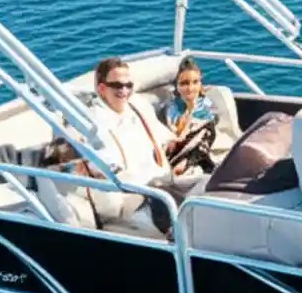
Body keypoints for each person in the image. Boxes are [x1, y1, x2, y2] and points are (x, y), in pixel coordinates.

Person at [75, 57, 185, 235]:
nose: (124, 91)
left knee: (205, 187)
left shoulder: (137, 108)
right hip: (134, 197)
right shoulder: (93, 123)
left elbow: (162, 136)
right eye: (118, 86)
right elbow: (100, 163)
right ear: (102, 89)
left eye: (129, 85)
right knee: (180, 216)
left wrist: (178, 143)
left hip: (161, 183)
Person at [156, 57, 219, 174]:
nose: (190, 88)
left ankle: (187, 163)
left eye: (195, 82)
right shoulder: (170, 108)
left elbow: (210, 126)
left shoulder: (207, 105)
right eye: (184, 83)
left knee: (207, 131)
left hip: (198, 144)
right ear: (177, 86)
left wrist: (192, 111)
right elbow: (172, 135)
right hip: (177, 148)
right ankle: (187, 163)